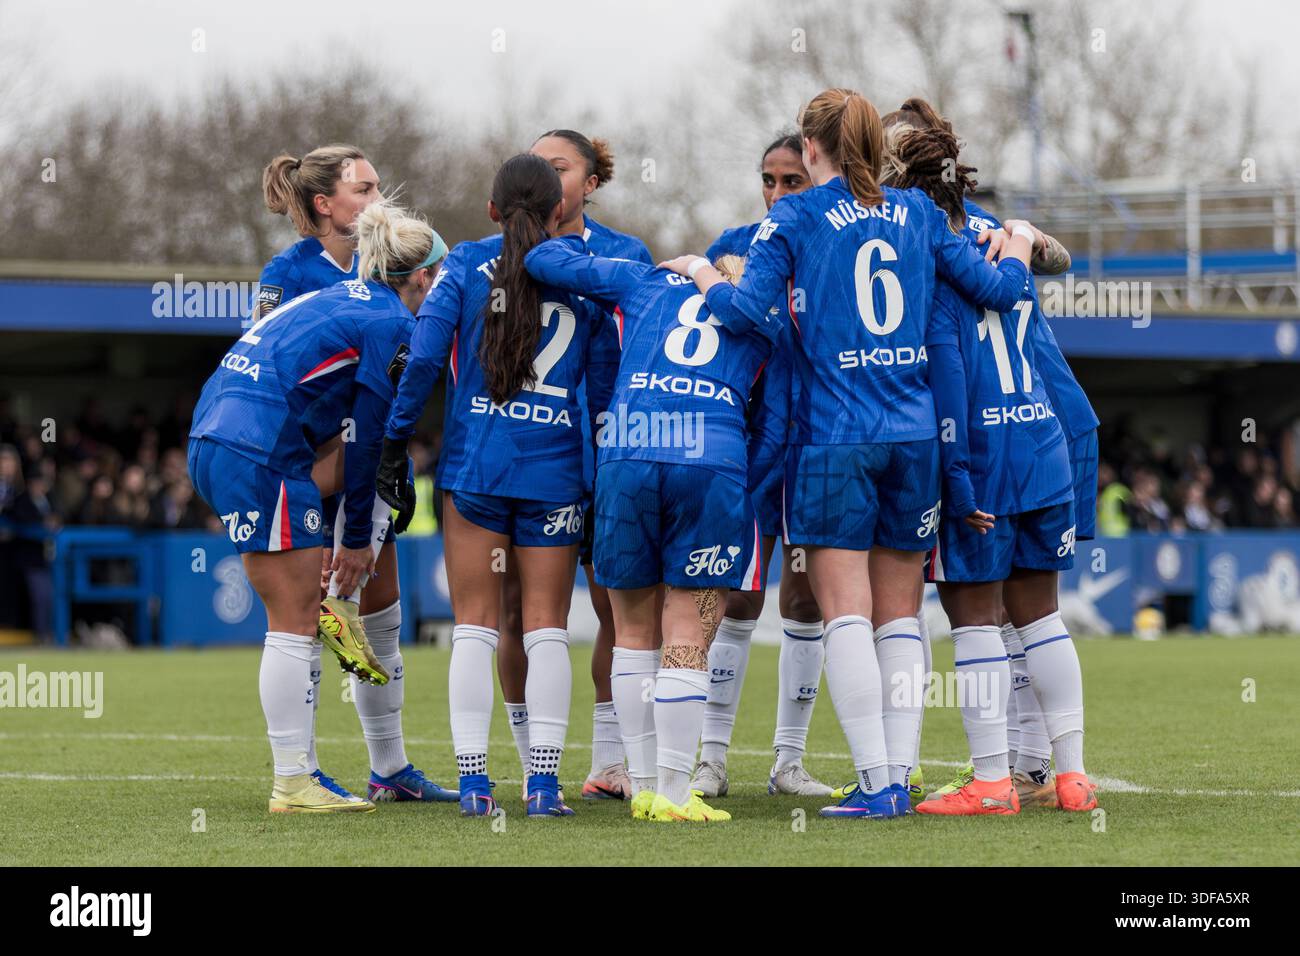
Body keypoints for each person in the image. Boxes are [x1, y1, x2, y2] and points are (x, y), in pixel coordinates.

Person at [663, 87, 1036, 819]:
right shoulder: (921, 213)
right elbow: (995, 287)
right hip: (914, 437)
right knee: (901, 616)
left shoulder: (793, 219)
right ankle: (896, 773)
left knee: (846, 616)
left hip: (834, 438)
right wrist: (1020, 247)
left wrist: (701, 273)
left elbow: (745, 314)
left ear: (810, 149)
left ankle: (878, 785)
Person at [378, 154, 612, 818]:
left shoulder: (462, 266)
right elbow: (603, 388)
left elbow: (424, 359)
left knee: (475, 628)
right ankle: (543, 786)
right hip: (557, 473)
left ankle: (476, 784)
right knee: (546, 630)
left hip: (478, 468)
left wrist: (395, 443)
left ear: (489, 210)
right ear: (559, 210)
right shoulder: (582, 275)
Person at [188, 200, 440, 813]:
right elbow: (374, 442)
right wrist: (356, 541)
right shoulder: (393, 325)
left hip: (216, 434)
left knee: (300, 614)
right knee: (295, 622)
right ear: (420, 278)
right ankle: (294, 781)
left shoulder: (337, 298)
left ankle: (328, 766)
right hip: (258, 449)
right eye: (440, 275)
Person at [523, 236, 774, 822]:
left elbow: (541, 260)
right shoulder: (761, 315)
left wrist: (659, 264)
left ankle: (640, 788)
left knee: (631, 632)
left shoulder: (640, 281)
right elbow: (777, 420)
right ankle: (676, 792)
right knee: (686, 630)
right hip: (709, 461)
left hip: (627, 455)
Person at [258, 144, 457, 804]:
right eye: (367, 187)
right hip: (310, 469)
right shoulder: (287, 273)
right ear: (325, 203)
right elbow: (268, 373)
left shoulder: (396, 268)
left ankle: (390, 767)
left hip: (366, 466)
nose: (380, 198)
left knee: (382, 616)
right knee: (311, 615)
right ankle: (302, 770)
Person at [488, 129, 655, 804]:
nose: (549, 179)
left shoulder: (626, 255)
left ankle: (611, 760)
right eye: (541, 168)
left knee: (619, 607)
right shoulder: (497, 260)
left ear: (590, 183)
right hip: (533, 458)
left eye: (562, 168)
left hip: (610, 456)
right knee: (512, 614)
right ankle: (536, 763)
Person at [690, 131, 839, 800]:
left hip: (815, 439)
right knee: (736, 594)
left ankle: (788, 761)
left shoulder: (833, 237)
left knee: (804, 596)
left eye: (791, 181)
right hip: (751, 444)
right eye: (769, 180)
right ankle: (710, 759)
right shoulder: (737, 242)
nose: (777, 192)